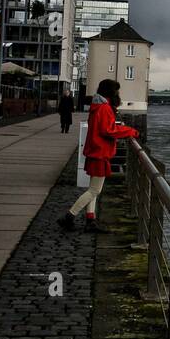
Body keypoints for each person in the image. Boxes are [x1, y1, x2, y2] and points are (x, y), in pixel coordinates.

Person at [57, 79, 138, 233]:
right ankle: (69, 216)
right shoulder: (105, 108)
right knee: (95, 190)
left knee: (92, 188)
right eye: (117, 91)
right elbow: (109, 130)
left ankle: (90, 220)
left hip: (94, 151)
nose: (118, 94)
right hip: (100, 153)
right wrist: (130, 131)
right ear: (111, 92)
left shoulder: (97, 106)